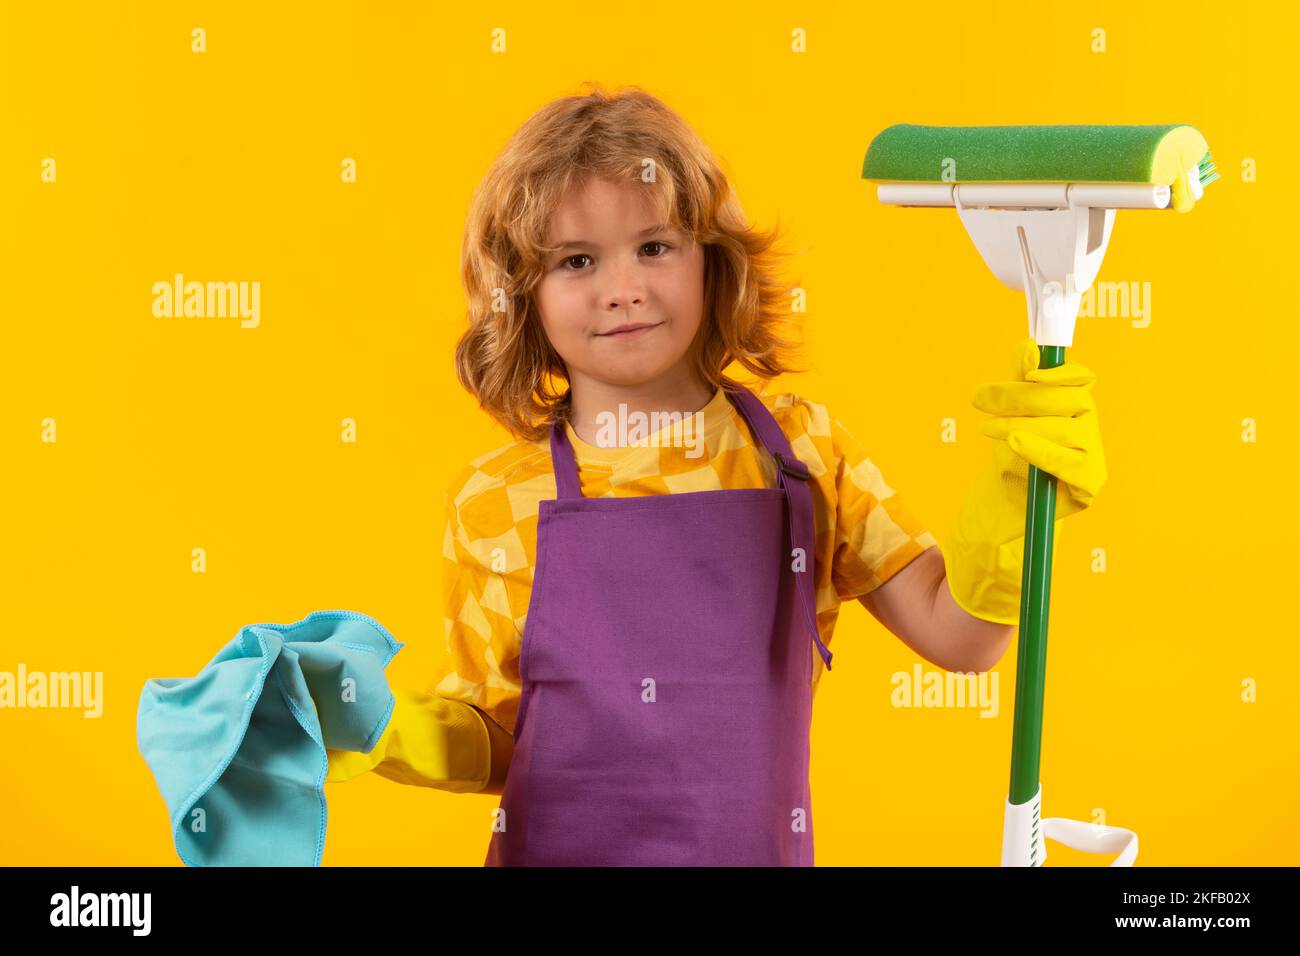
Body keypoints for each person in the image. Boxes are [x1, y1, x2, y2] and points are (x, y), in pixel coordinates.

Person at [326, 83, 1106, 866]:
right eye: (576, 261)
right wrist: (387, 726)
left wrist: (1013, 501)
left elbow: (960, 639)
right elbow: (501, 739)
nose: (623, 287)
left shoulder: (803, 458)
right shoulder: (493, 501)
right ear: (523, 297)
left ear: (712, 260)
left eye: (655, 246)